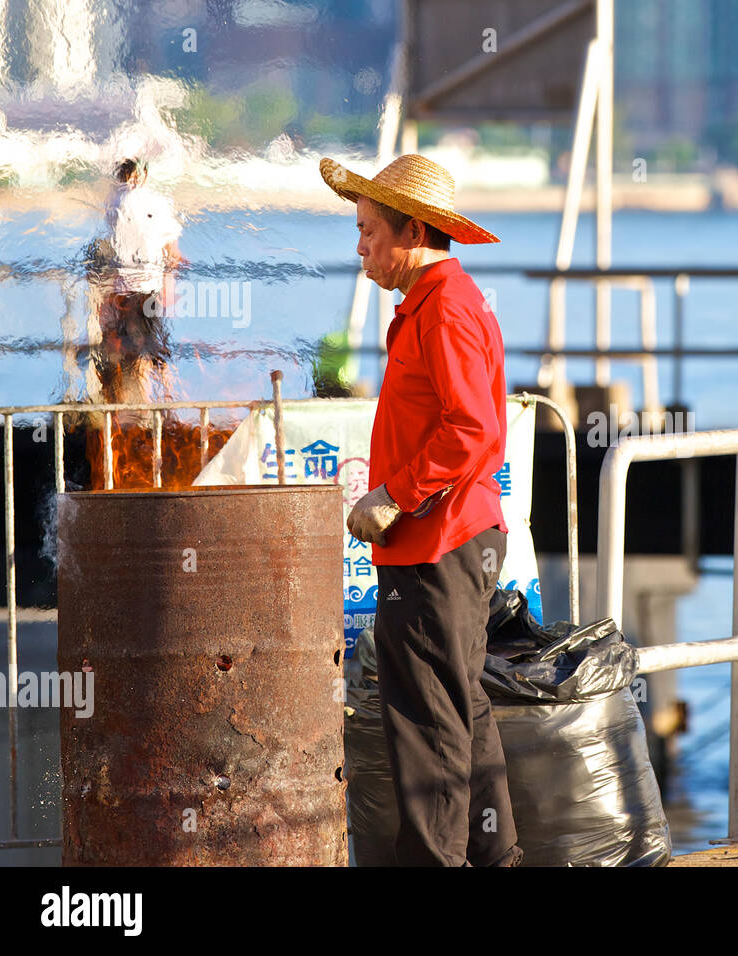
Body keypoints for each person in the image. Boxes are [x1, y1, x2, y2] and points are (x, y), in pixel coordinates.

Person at [319, 153, 521, 867]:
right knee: (460, 702)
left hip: (437, 542)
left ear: (411, 232)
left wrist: (394, 497)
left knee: (424, 716)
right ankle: (494, 857)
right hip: (455, 537)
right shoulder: (441, 303)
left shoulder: (443, 308)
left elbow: (472, 429)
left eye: (369, 230)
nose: (361, 245)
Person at [90, 157, 184, 405]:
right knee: (151, 352)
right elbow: (172, 252)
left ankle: (137, 408)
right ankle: (160, 403)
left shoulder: (114, 203)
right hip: (146, 288)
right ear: (140, 176)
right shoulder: (154, 201)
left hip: (123, 290)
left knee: (130, 351)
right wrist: (169, 283)